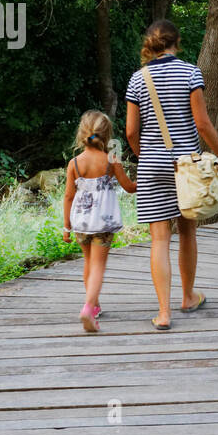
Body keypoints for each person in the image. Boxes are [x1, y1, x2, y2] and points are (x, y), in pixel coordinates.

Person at [124, 19, 218, 330]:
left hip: (151, 166)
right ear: (177, 42)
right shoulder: (190, 73)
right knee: (187, 232)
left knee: (158, 239)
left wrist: (146, 157)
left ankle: (163, 313)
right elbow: (202, 124)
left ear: (150, 45)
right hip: (186, 168)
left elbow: (131, 131)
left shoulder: (138, 79)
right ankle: (188, 297)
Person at [62, 110, 136, 333]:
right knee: (98, 267)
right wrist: (147, 178)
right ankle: (88, 308)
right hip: (103, 223)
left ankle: (95, 305)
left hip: (81, 222)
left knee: (88, 263)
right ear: (106, 135)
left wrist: (66, 226)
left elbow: (68, 196)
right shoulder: (111, 159)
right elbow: (129, 187)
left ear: (81, 133)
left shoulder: (74, 163)